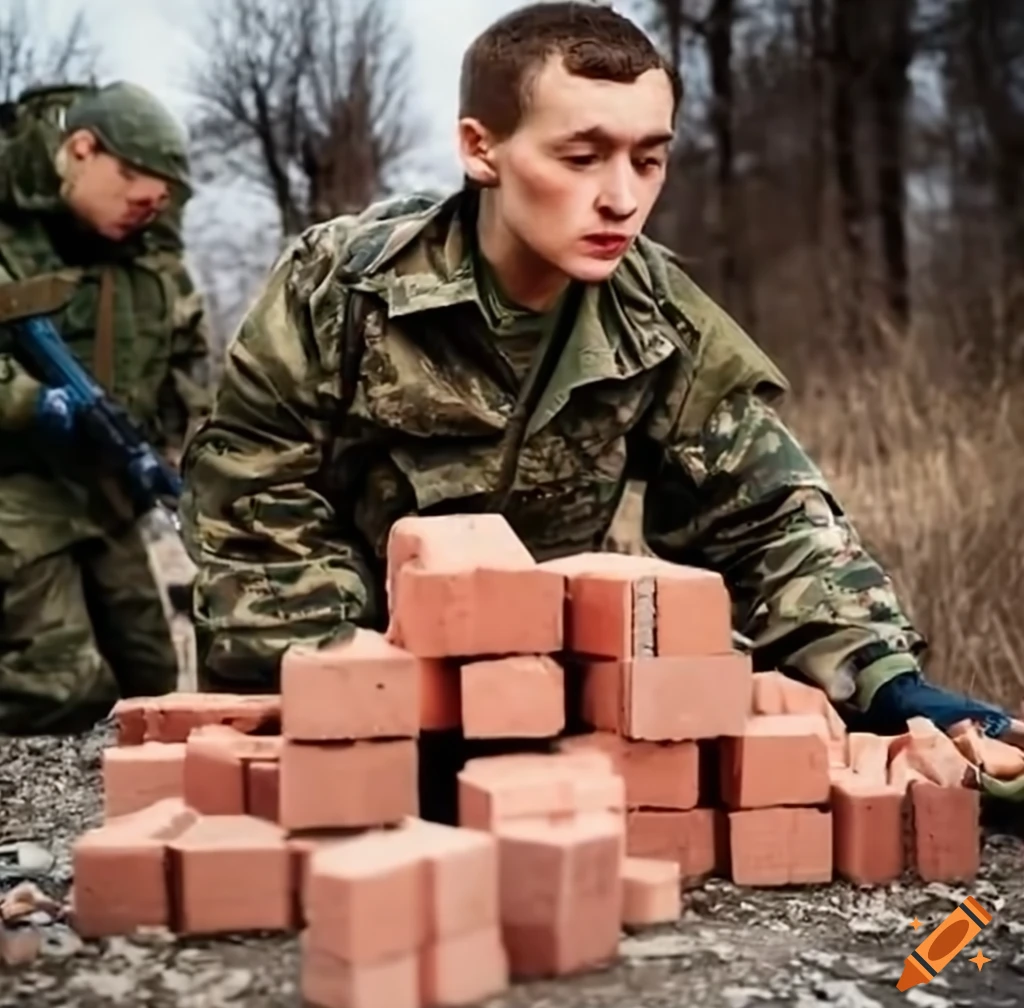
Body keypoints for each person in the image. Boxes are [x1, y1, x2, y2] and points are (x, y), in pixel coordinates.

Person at [179, 3, 1024, 776]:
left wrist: (884, 680)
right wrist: (372, 686)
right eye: (580, 157)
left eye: (649, 160)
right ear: (481, 149)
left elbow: (765, 518)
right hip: (313, 703)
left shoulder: (659, 320)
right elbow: (249, 503)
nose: (622, 198)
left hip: (534, 712)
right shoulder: (341, 287)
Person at [0, 81, 211, 734]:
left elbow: (179, 357)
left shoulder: (144, 255)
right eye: (133, 193)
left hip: (99, 486)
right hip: (15, 484)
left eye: (156, 204)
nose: (144, 212)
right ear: (82, 149)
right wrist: (31, 402)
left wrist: (176, 450)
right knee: (64, 687)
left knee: (152, 681)